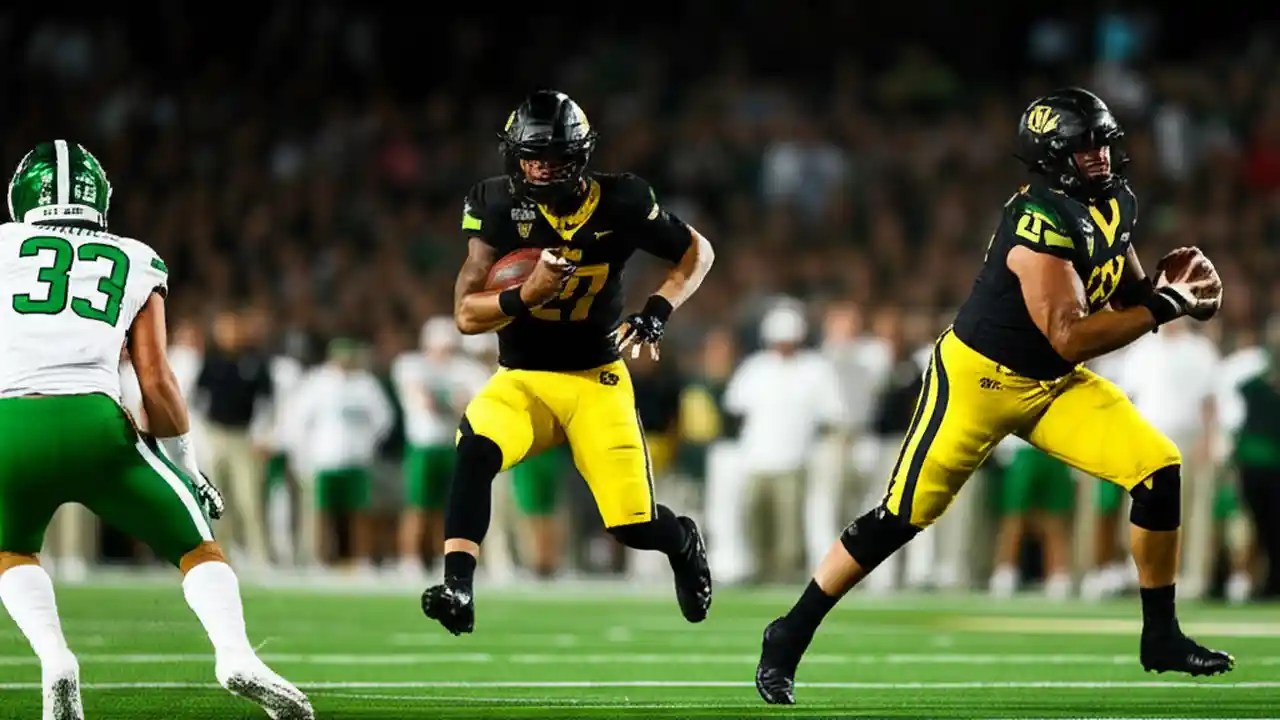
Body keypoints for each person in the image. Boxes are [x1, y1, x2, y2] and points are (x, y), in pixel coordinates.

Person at [755, 88, 1231, 705]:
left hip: (1052, 386)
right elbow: (1069, 337)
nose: (1100, 156)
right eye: (1084, 146)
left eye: (1102, 142)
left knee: (1158, 468)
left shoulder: (1115, 200)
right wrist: (1167, 306)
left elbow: (1128, 298)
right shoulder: (1039, 221)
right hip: (979, 381)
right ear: (1052, 157)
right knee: (901, 517)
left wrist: (1170, 295)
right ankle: (789, 634)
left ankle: (1161, 635)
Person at [0, 141, 311, 718]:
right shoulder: (135, 257)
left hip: (9, 424)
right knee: (197, 549)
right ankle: (236, 654)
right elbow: (156, 378)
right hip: (97, 420)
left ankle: (55, 658)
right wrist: (185, 467)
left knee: (10, 550)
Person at [421, 89, 715, 634]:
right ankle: (458, 586)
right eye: (530, 156)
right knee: (475, 449)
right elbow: (465, 314)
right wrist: (525, 296)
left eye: (553, 157)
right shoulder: (494, 203)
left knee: (631, 525)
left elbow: (698, 251)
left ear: (579, 156)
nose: (538, 167)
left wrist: (657, 310)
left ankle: (682, 540)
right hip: (523, 379)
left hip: (595, 381)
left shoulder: (622, 200)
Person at [392, 317, 484, 579]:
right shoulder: (411, 365)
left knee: (449, 509)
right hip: (423, 445)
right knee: (417, 505)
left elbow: (477, 401)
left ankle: (440, 558)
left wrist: (459, 404)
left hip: (453, 445)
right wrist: (454, 402)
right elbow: (422, 400)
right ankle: (409, 558)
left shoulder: (464, 369)